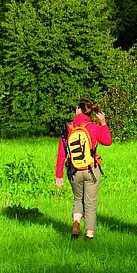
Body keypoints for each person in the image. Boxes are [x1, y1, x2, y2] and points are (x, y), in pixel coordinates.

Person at [54, 99, 112, 241]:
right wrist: (103, 123)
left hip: (74, 170)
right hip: (91, 169)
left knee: (78, 199)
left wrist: (59, 175)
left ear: (78, 110)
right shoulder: (93, 127)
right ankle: (89, 235)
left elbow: (62, 154)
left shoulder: (69, 128)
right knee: (90, 203)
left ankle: (76, 223)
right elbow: (107, 141)